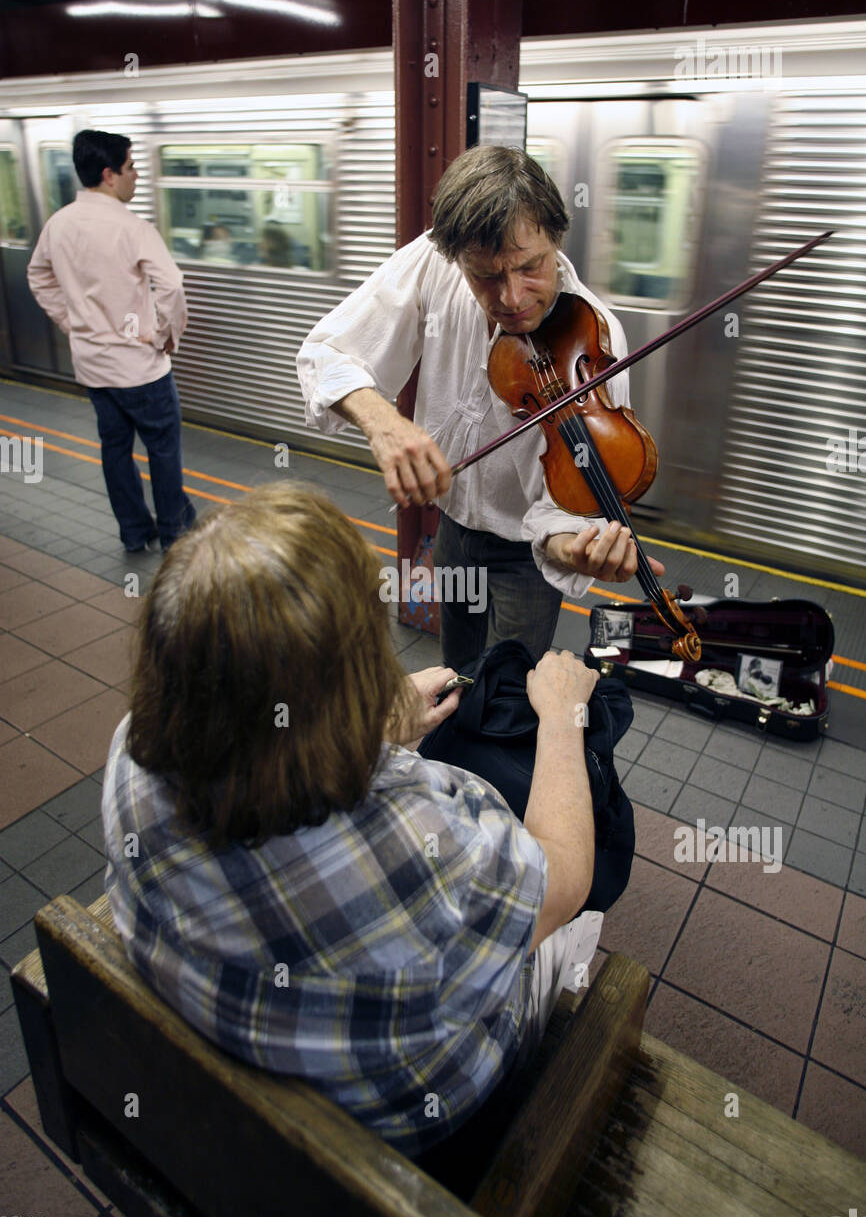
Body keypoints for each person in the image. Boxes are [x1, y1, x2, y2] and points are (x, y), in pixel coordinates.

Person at [102, 482, 601, 1159]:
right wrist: (564, 718)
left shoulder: (134, 756)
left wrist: (377, 718)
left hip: (216, 1068)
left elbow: (253, 724)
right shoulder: (427, 842)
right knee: (585, 919)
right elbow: (564, 878)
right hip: (414, 1129)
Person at [297, 144, 666, 670]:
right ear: (456, 260)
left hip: (526, 557)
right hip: (451, 530)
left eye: (530, 268)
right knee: (455, 669)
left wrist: (572, 550)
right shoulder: (434, 259)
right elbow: (327, 351)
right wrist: (382, 422)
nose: (512, 297)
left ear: (555, 238)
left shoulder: (598, 339)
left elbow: (563, 508)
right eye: (486, 277)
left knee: (506, 692)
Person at [27, 129, 196, 553]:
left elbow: (38, 276)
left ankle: (136, 533)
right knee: (163, 451)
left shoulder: (58, 223)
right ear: (108, 174)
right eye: (131, 168)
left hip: (93, 367)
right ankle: (175, 533)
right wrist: (165, 334)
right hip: (140, 367)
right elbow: (172, 286)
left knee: (115, 450)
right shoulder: (132, 227)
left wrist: (71, 323)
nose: (136, 176)